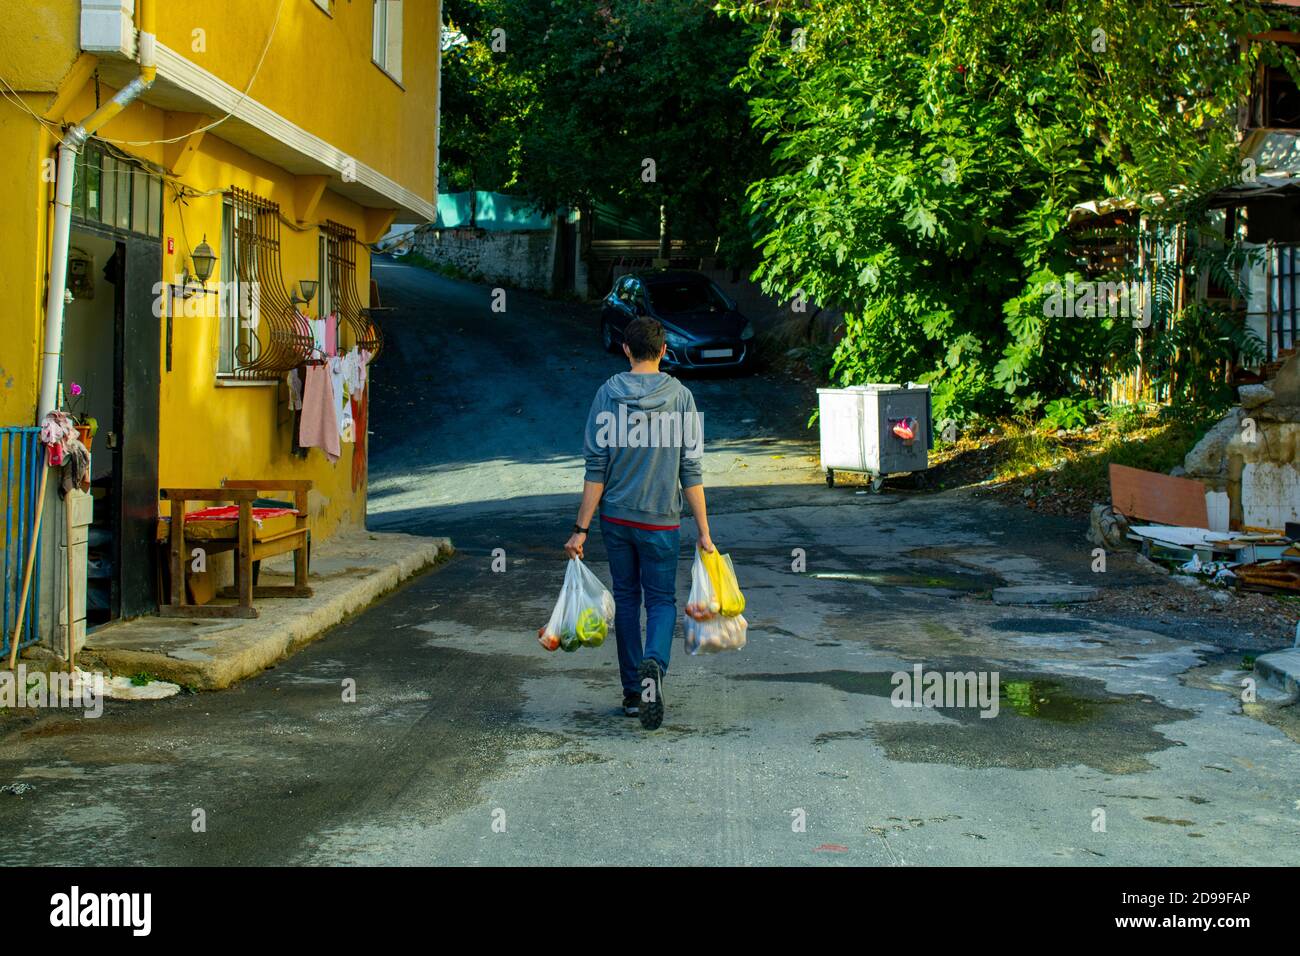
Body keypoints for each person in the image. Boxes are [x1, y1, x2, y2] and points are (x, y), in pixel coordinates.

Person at [565, 316, 712, 730]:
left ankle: (633, 694)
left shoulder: (606, 395)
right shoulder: (682, 397)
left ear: (625, 349)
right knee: (661, 600)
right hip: (661, 522)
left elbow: (595, 468)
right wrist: (703, 530)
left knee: (627, 600)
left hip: (616, 518)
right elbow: (691, 470)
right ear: (664, 351)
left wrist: (581, 529)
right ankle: (655, 665)